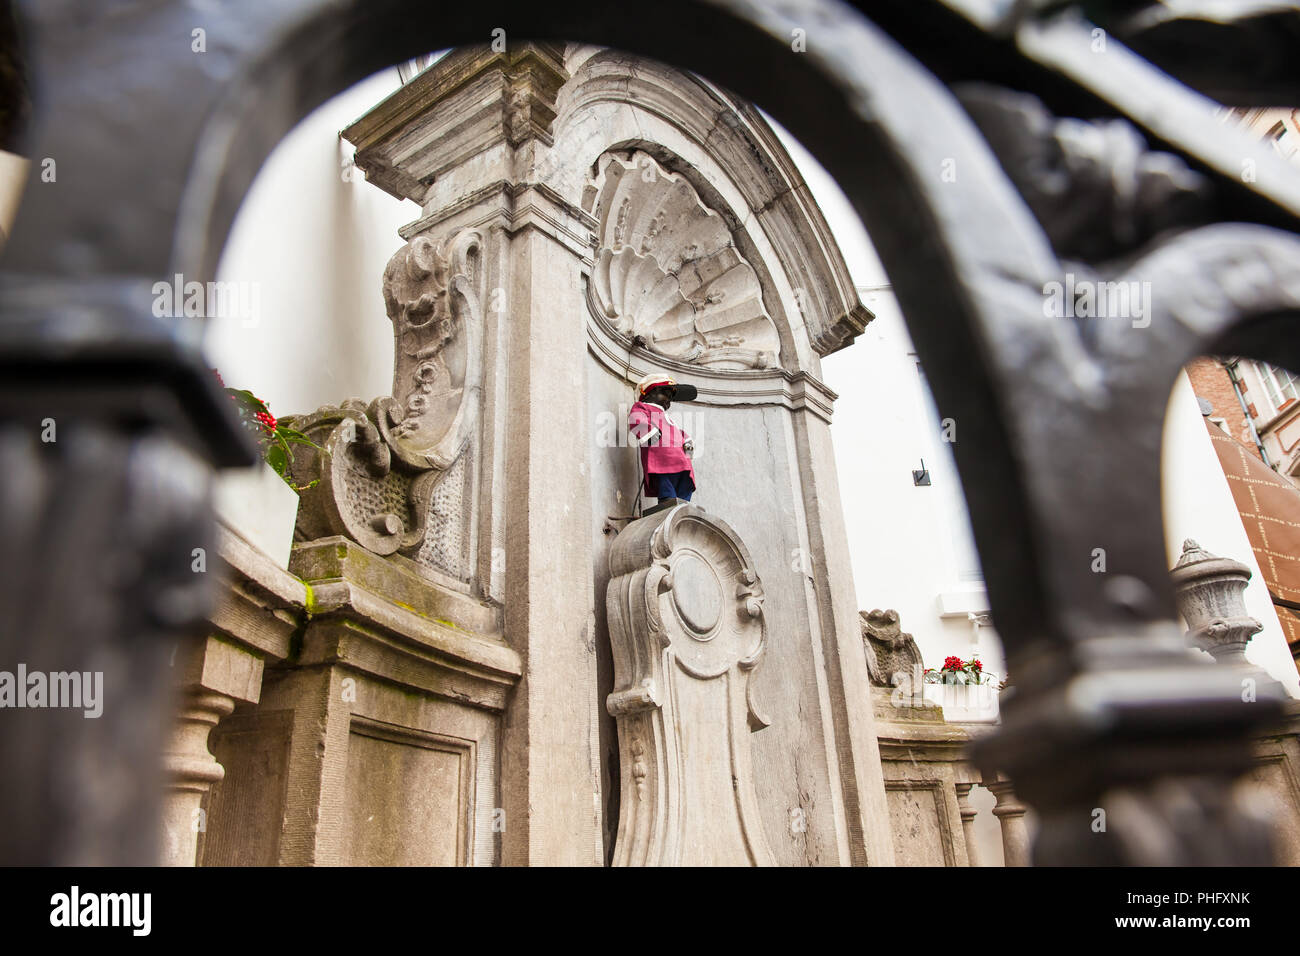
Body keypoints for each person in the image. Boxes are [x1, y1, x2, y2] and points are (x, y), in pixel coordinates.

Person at [628, 373, 698, 502]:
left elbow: (679, 433)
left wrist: (688, 443)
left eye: (670, 396)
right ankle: (668, 502)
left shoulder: (668, 418)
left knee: (685, 483)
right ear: (650, 393)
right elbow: (635, 419)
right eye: (665, 393)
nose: (668, 399)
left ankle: (683, 505)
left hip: (681, 460)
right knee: (665, 485)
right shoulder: (642, 407)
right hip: (660, 458)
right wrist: (650, 434)